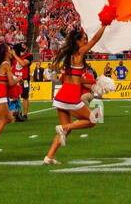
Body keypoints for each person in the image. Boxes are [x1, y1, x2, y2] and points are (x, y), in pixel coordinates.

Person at [43, 16, 108, 163]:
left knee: (66, 131)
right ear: (78, 42)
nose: (86, 41)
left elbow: (71, 79)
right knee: (92, 121)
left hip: (61, 96)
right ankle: (65, 126)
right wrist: (104, 25)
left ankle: (49, 156)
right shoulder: (79, 53)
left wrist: (93, 83)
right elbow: (95, 40)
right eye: (83, 39)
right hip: (71, 96)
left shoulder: (69, 57)